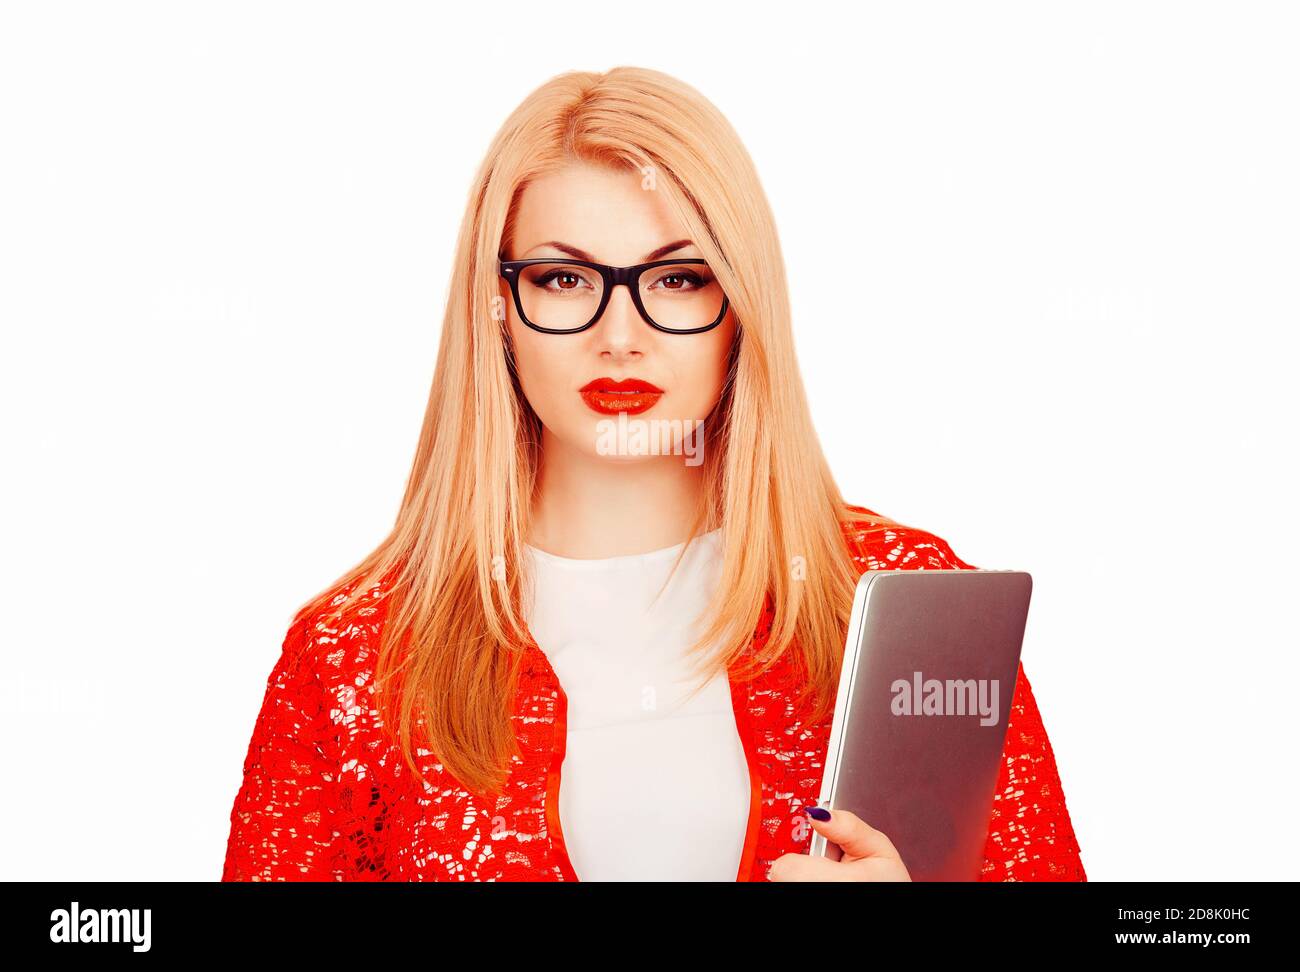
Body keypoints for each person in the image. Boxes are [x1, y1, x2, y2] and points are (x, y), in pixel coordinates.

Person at [222, 66, 1085, 882]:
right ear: (499, 313)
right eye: (563, 278)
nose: (621, 334)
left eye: (676, 278)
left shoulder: (906, 608)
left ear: (740, 308)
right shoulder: (352, 658)